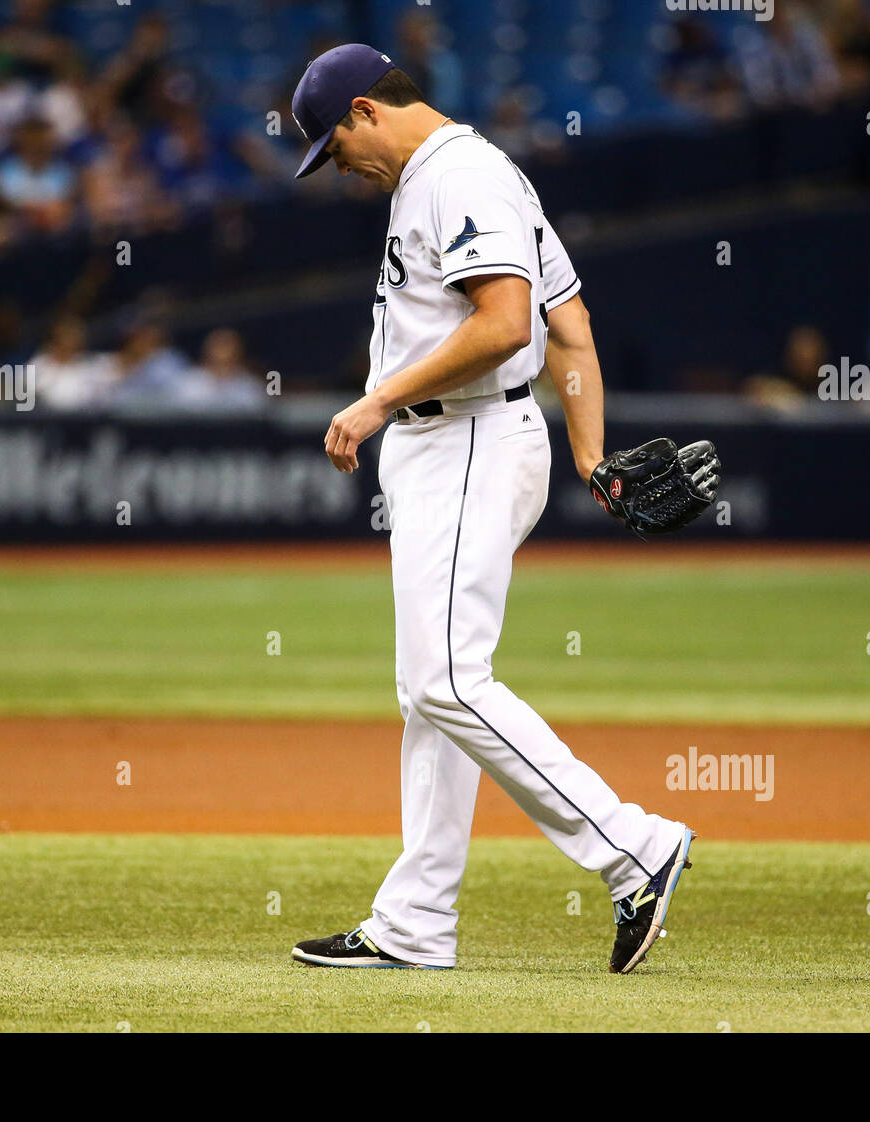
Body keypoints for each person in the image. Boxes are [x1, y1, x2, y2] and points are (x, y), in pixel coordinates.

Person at [287, 45, 694, 974]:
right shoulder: (467, 172)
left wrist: (381, 397)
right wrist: (589, 453)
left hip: (466, 437)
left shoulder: (456, 175)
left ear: (364, 110)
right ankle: (415, 925)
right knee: (429, 692)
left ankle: (635, 847)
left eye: (334, 147)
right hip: (455, 444)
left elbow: (511, 322)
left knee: (449, 683)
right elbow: (571, 321)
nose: (339, 169)